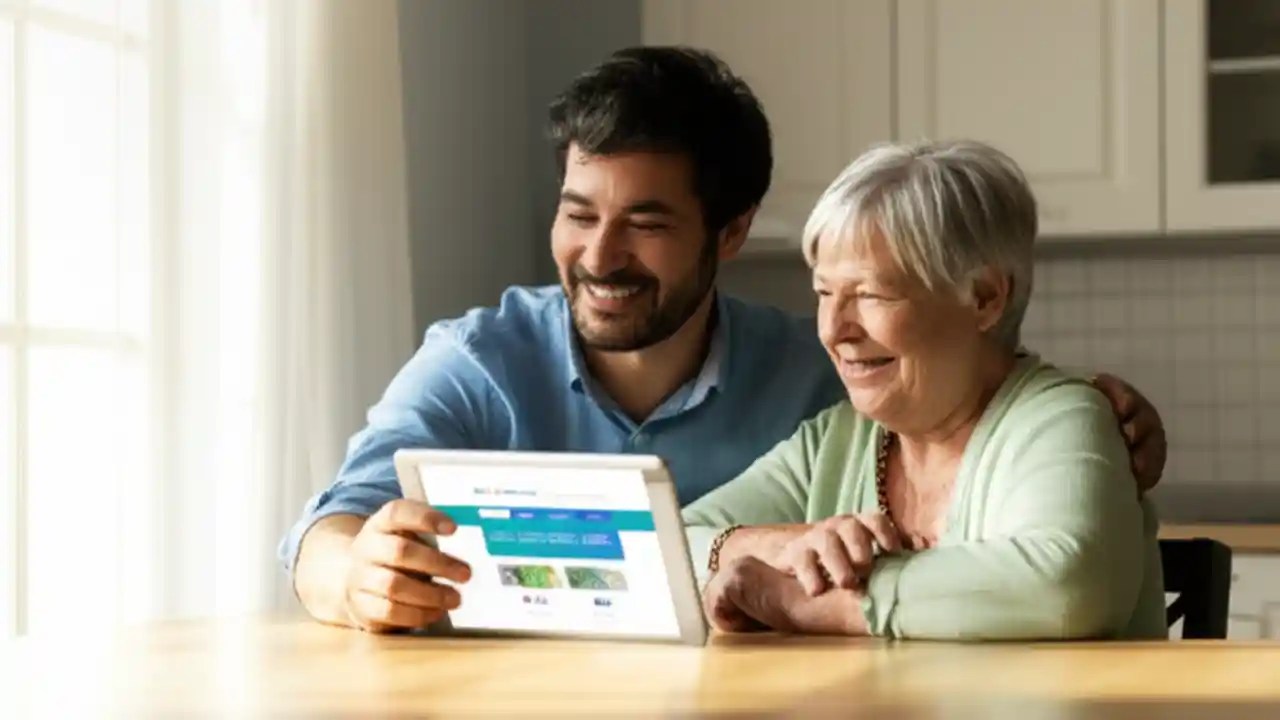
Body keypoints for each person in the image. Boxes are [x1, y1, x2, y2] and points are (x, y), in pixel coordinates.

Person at [280, 46, 1167, 634]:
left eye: (646, 224)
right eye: (578, 214)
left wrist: (1089, 417)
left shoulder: (821, 381)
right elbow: (328, 527)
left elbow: (991, 420)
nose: (600, 255)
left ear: (731, 230)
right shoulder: (477, 361)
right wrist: (354, 578)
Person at [687, 140, 1168, 641]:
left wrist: (811, 603)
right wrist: (780, 546)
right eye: (825, 293)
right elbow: (652, 550)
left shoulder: (1063, 419)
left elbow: (1067, 586)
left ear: (985, 298)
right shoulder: (834, 444)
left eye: (871, 294)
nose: (833, 329)